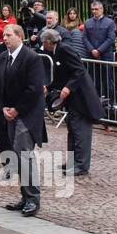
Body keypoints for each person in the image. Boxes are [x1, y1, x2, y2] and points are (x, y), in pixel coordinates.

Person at [0, 24, 47, 217]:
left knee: (24, 156)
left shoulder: (31, 58)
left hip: (27, 115)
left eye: (9, 35)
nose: (5, 38)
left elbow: (34, 89)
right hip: (10, 113)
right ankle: (25, 196)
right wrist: (4, 107)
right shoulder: (4, 57)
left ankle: (32, 199)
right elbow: (0, 85)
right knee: (17, 155)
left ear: (20, 37)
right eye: (3, 35)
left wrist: (17, 109)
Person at [42, 28, 104, 176]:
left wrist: (68, 87)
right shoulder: (57, 52)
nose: (43, 45)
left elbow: (79, 70)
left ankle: (81, 165)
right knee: (73, 129)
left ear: (49, 42)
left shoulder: (64, 49)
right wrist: (49, 87)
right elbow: (61, 76)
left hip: (81, 97)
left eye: (44, 42)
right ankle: (72, 161)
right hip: (73, 98)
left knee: (80, 131)